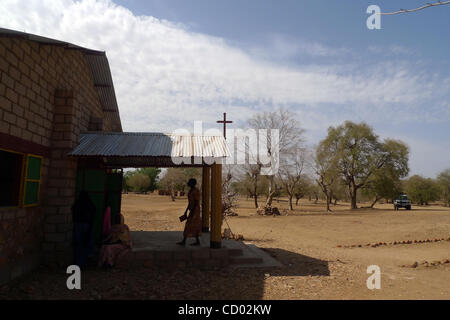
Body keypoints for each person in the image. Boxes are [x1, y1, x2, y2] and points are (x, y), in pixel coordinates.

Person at [72, 190, 96, 268]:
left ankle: (79, 263)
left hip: (78, 225)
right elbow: (93, 213)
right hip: (87, 225)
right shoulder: (89, 204)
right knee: (87, 243)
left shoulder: (77, 204)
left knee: (79, 244)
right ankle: (86, 262)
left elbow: (73, 212)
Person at [177, 178, 202, 246]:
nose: (189, 183)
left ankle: (184, 241)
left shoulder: (196, 191)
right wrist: (186, 211)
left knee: (189, 224)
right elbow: (190, 202)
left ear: (192, 183)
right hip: (192, 210)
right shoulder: (191, 190)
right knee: (193, 225)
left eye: (190, 182)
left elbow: (196, 202)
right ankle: (196, 241)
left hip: (195, 210)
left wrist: (192, 212)